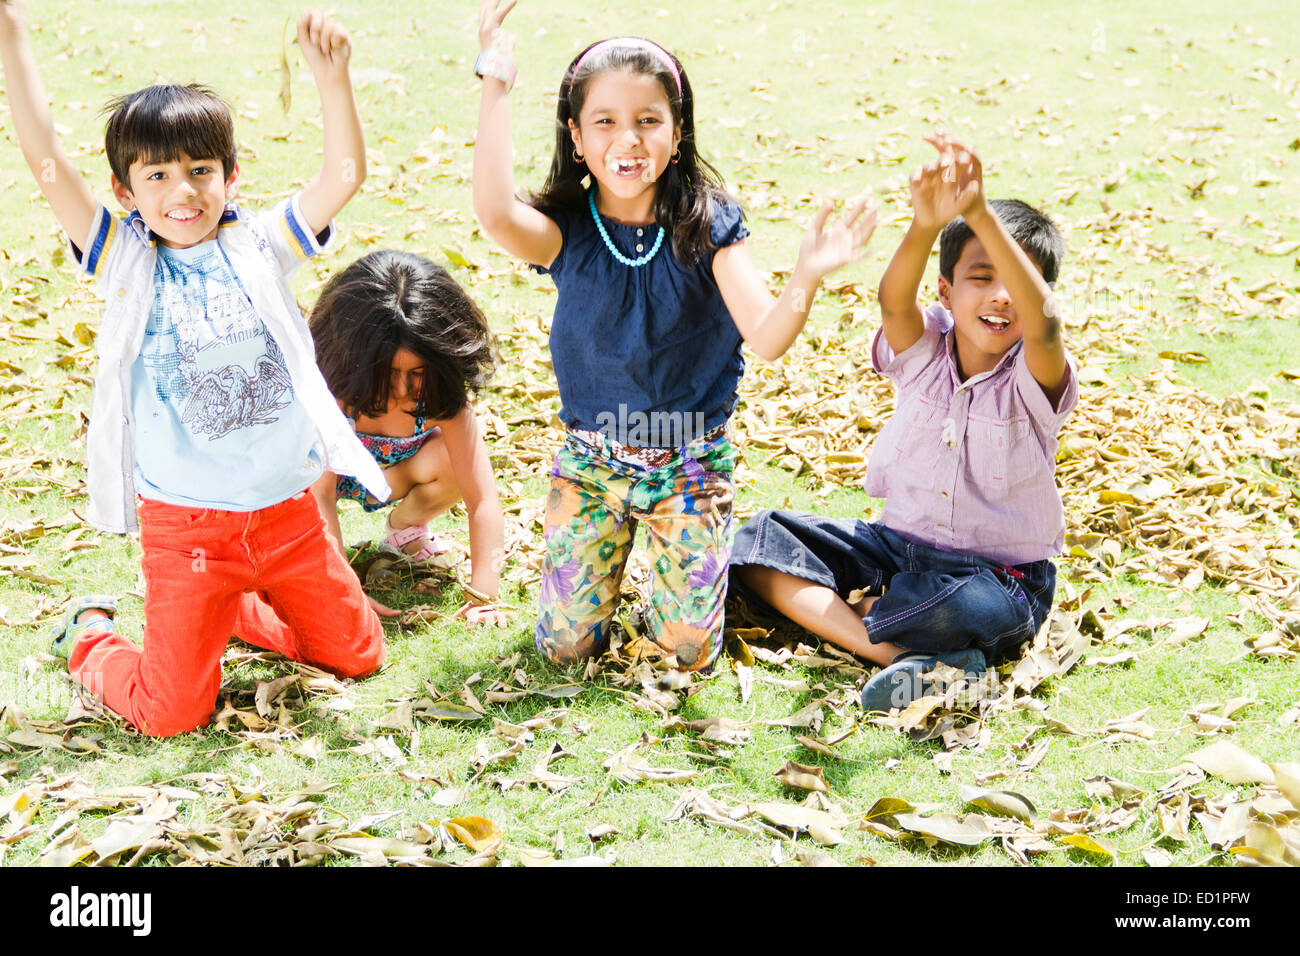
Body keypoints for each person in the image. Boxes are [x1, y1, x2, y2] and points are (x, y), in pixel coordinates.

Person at [1, 2, 390, 735]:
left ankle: (237, 613)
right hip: (187, 534)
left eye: (201, 171)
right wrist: (10, 31)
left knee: (360, 656)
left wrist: (331, 80)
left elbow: (344, 174)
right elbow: (45, 159)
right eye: (158, 176)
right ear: (125, 192)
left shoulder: (261, 246)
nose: (184, 192)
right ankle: (90, 637)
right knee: (171, 715)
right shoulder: (125, 263)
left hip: (287, 521)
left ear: (231, 175)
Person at [471, 0, 876, 672]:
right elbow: (492, 210)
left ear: (678, 132)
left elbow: (768, 339)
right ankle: (621, 582)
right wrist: (496, 81)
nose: (627, 140)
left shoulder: (710, 225)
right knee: (564, 652)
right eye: (605, 122)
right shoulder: (568, 229)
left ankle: (694, 579)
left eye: (648, 121)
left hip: (690, 467)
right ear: (576, 137)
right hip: (592, 466)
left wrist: (807, 273)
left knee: (685, 657)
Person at [731, 132, 1078, 712]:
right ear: (945, 289)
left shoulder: (1035, 374)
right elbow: (894, 301)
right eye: (980, 277)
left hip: (1000, 577)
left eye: (1015, 283)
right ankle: (898, 656)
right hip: (896, 551)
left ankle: (892, 624)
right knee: (760, 539)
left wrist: (978, 212)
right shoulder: (925, 352)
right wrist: (925, 226)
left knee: (967, 607)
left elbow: (1043, 321)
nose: (1001, 298)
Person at [308, 250, 510, 625]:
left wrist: (485, 595)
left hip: (396, 476)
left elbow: (482, 499)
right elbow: (319, 495)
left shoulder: (444, 399)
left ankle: (405, 531)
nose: (402, 389)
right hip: (319, 482)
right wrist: (344, 594)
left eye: (418, 373)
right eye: (387, 373)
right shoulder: (334, 394)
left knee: (453, 462)